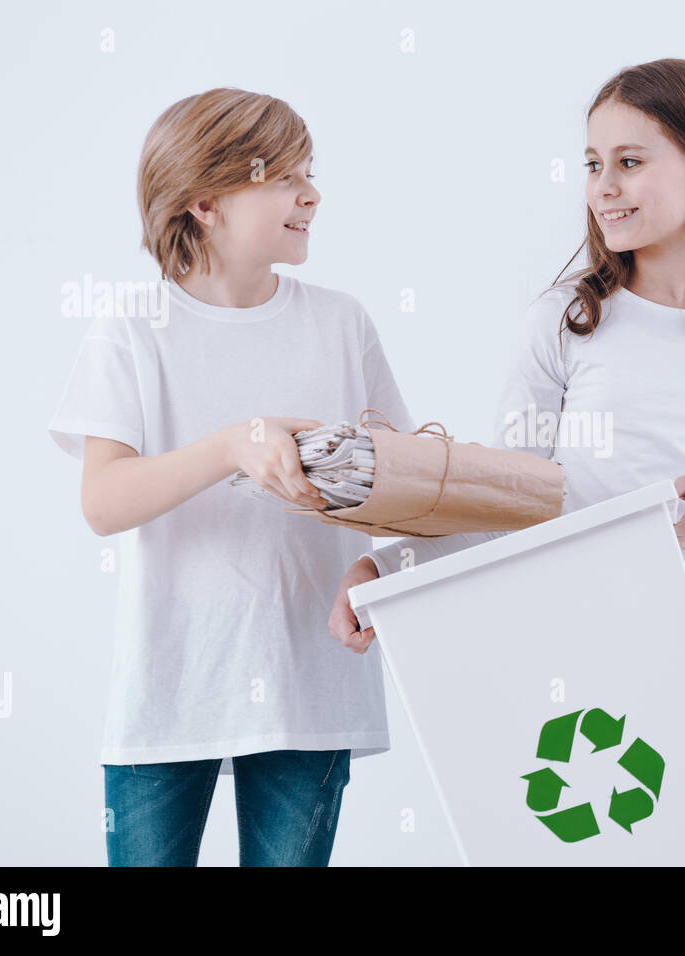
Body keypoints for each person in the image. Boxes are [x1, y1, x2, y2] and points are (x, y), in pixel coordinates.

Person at [327, 59, 685, 783]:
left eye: (630, 162)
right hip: (573, 659)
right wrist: (383, 570)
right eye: (594, 163)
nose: (604, 186)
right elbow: (503, 507)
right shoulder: (564, 323)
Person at [47, 88, 414, 865]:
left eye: (310, 173)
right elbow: (104, 503)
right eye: (284, 176)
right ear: (205, 201)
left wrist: (378, 566)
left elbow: (413, 487)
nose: (312, 195)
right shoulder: (131, 332)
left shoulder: (342, 323)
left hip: (309, 685)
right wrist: (234, 446)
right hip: (169, 687)